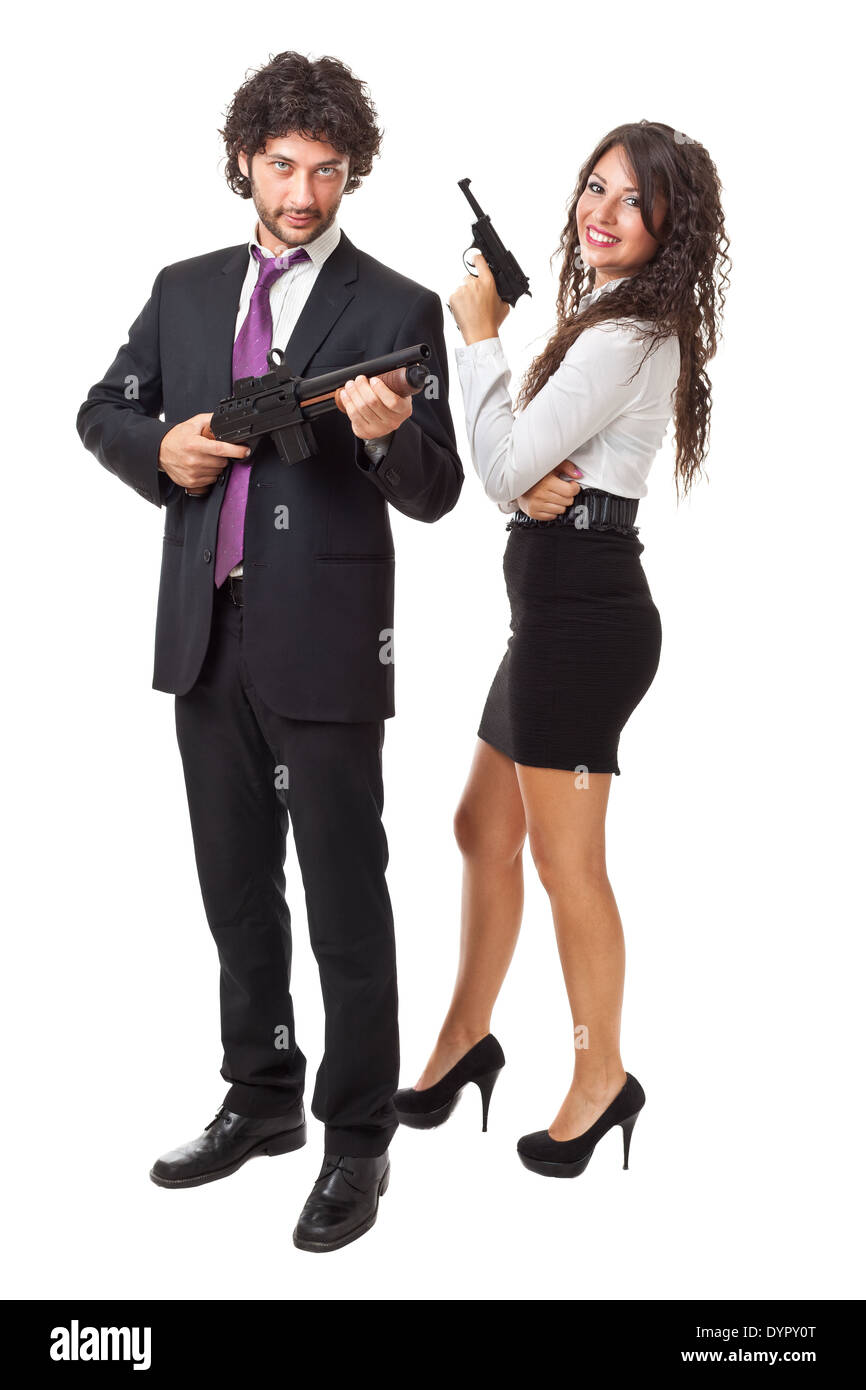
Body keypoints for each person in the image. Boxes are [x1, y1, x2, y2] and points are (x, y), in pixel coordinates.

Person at [76, 51, 463, 1251]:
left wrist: (390, 440)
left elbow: (437, 487)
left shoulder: (396, 309)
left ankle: (356, 1141)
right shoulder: (185, 290)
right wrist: (165, 449)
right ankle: (260, 1097)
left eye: (327, 169)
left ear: (353, 171)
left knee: (345, 898)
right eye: (284, 165)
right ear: (245, 159)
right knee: (236, 889)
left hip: (329, 636)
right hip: (205, 631)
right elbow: (102, 406)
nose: (303, 191)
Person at [394, 122, 730, 1177]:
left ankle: (601, 1075)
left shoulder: (624, 334)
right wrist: (524, 479)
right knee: (476, 825)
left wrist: (478, 335)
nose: (600, 211)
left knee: (563, 861)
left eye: (629, 200)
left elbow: (497, 466)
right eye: (593, 187)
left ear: (669, 225)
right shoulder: (610, 323)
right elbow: (514, 467)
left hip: (582, 623)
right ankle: (464, 1041)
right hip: (553, 610)